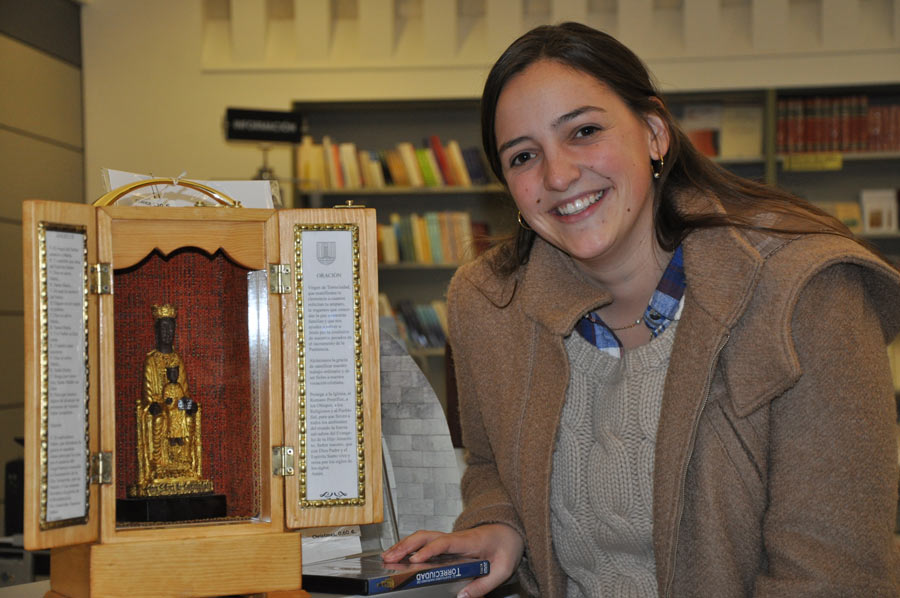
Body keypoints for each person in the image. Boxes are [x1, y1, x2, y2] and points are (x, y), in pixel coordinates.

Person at [382, 21, 900, 598]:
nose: (558, 175)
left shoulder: (807, 294)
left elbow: (834, 575)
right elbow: (488, 465)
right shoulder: (489, 304)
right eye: (524, 156)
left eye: (583, 131)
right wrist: (498, 523)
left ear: (654, 133)